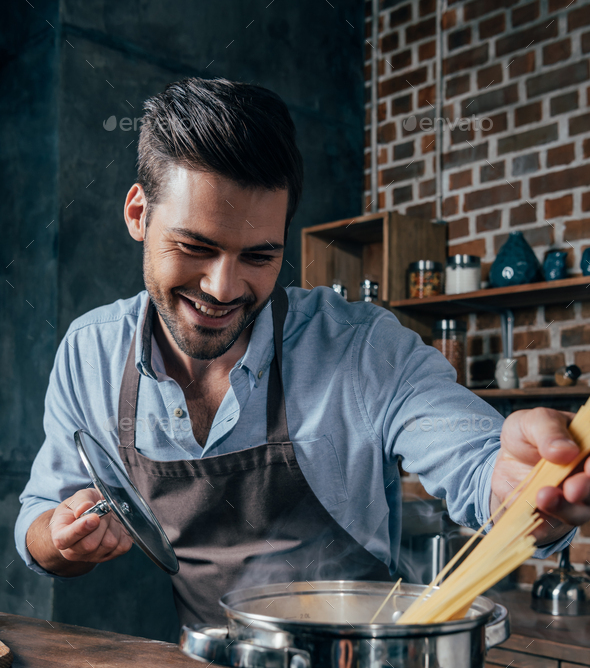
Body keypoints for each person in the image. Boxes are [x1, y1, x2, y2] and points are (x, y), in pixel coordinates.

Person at [15, 78, 590, 627]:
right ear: (139, 214)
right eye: (196, 246)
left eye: (259, 257)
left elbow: (478, 465)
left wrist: (520, 484)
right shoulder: (91, 351)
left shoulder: (362, 348)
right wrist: (63, 538)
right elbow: (40, 516)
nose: (223, 287)